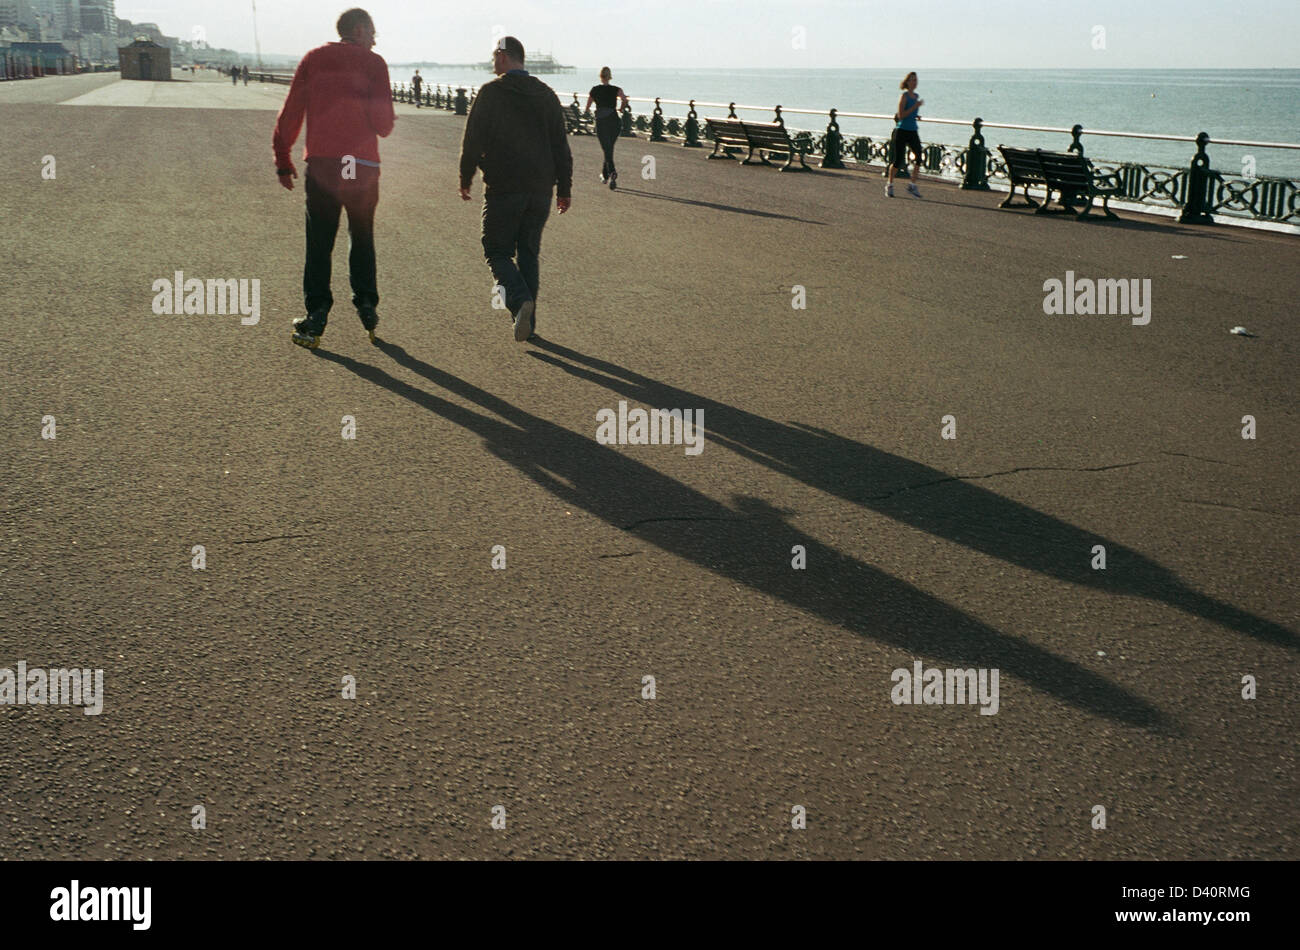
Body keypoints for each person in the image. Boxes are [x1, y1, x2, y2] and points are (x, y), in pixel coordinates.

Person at [273, 7, 395, 349]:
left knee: (320, 241)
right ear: (358, 30)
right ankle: (367, 304)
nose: (375, 39)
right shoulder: (375, 64)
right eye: (372, 31)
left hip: (326, 164)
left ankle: (316, 317)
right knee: (362, 233)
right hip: (359, 164)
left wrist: (283, 159)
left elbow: (292, 112)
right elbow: (384, 125)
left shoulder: (314, 58)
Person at [458, 36, 572, 343]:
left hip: (504, 187)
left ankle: (520, 300)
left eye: (495, 55)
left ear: (504, 56)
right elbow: (560, 145)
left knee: (496, 250)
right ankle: (528, 324)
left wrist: (465, 176)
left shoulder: (491, 92)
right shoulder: (545, 94)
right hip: (539, 190)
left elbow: (473, 141)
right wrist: (565, 188)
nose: (493, 61)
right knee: (529, 253)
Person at [585, 67, 629, 189]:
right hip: (615, 121)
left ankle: (612, 173)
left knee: (607, 149)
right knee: (608, 149)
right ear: (610, 76)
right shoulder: (616, 89)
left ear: (600, 76)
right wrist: (621, 108)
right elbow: (624, 99)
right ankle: (604, 175)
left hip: (602, 121)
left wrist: (589, 110)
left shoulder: (594, 90)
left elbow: (587, 107)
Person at [887, 71, 923, 198]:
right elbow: (901, 115)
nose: (915, 82)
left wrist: (916, 115)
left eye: (916, 80)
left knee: (919, 157)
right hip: (901, 131)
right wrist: (915, 107)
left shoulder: (916, 96)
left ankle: (912, 185)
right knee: (898, 161)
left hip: (913, 130)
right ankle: (890, 184)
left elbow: (910, 113)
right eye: (912, 80)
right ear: (907, 82)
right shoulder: (904, 96)